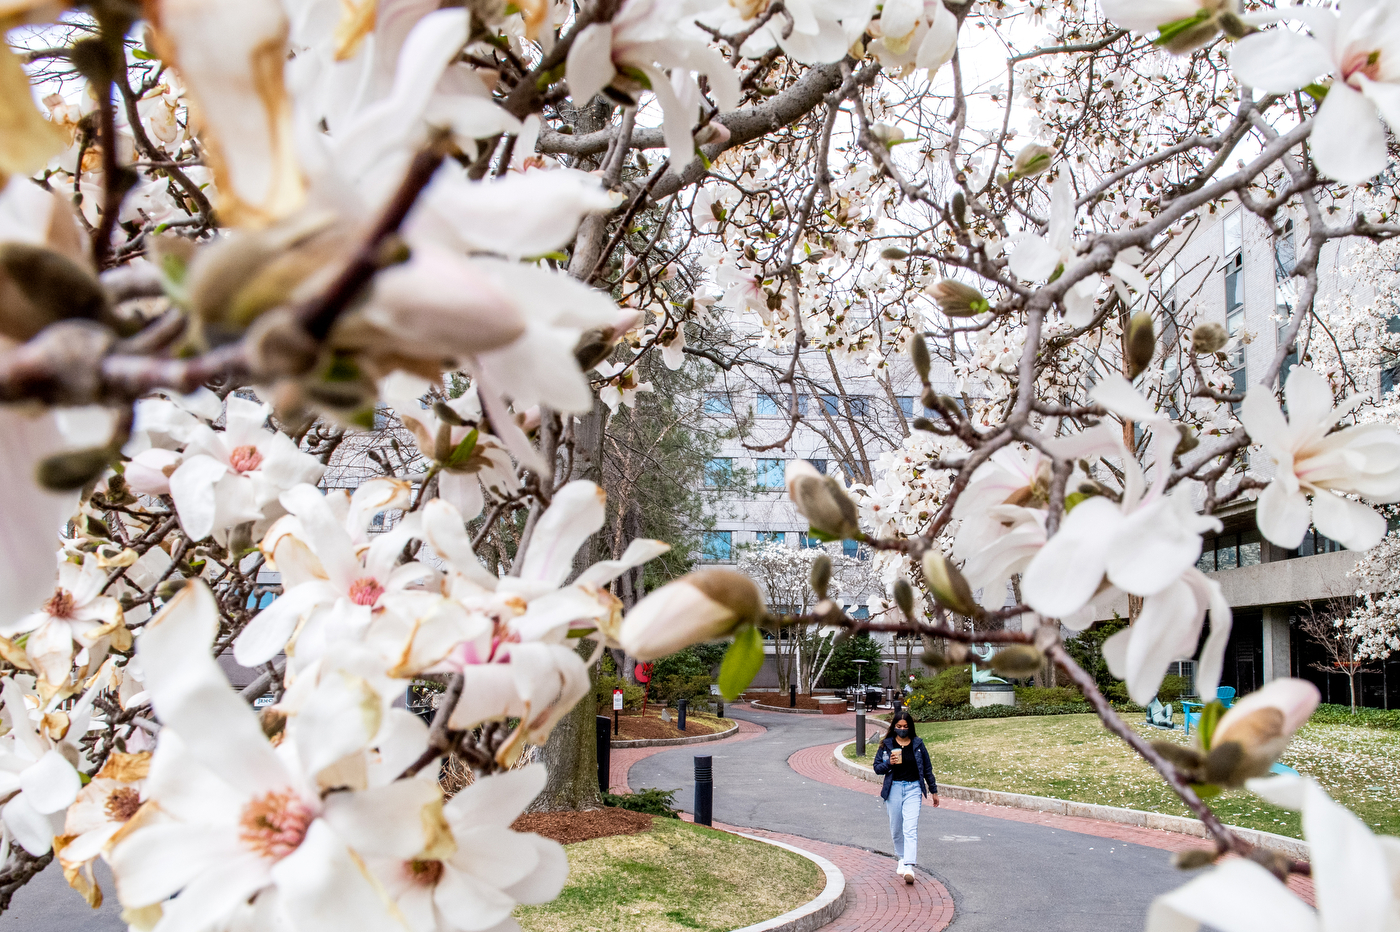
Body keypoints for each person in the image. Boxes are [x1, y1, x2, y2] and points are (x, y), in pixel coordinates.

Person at [872, 711, 938, 884]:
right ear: (894, 727)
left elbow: (927, 768)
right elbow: (877, 768)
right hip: (894, 789)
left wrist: (933, 790)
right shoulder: (887, 745)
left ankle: (909, 865)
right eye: (899, 727)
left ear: (910, 727)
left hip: (913, 788)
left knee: (910, 827)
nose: (902, 730)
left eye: (905, 727)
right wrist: (889, 763)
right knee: (896, 828)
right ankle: (901, 857)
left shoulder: (917, 744)